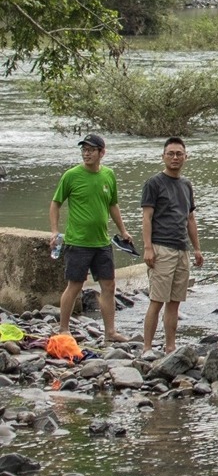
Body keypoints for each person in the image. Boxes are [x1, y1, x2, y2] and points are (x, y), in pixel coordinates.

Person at [49, 133, 134, 342]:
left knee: (109, 285)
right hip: (77, 242)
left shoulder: (108, 175)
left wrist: (123, 230)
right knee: (75, 285)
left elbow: (113, 204)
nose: (86, 154)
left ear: (101, 153)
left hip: (102, 242)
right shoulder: (71, 175)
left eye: (91, 150)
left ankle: (110, 332)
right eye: (84, 150)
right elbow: (55, 203)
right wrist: (54, 231)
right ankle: (63, 329)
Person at [141, 136, 202, 353]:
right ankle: (147, 347)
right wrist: (148, 248)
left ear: (186, 157)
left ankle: (170, 346)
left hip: (181, 248)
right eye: (171, 154)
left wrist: (196, 248)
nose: (175, 158)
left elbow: (190, 219)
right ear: (163, 156)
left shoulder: (186, 185)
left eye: (179, 154)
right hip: (161, 247)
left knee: (175, 302)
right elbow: (147, 217)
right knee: (157, 300)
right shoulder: (154, 183)